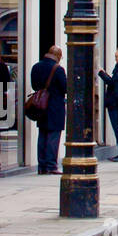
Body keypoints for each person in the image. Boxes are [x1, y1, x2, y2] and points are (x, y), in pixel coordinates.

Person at [29, 46, 67, 175]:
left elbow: (34, 85)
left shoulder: (36, 67)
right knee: (53, 136)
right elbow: (65, 88)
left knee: (43, 135)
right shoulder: (58, 69)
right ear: (58, 56)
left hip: (40, 106)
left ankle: (42, 166)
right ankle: (51, 165)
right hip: (55, 106)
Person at [97, 47, 118, 162]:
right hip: (115, 103)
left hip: (116, 103)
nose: (115, 59)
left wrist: (101, 73)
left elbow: (113, 83)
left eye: (116, 56)